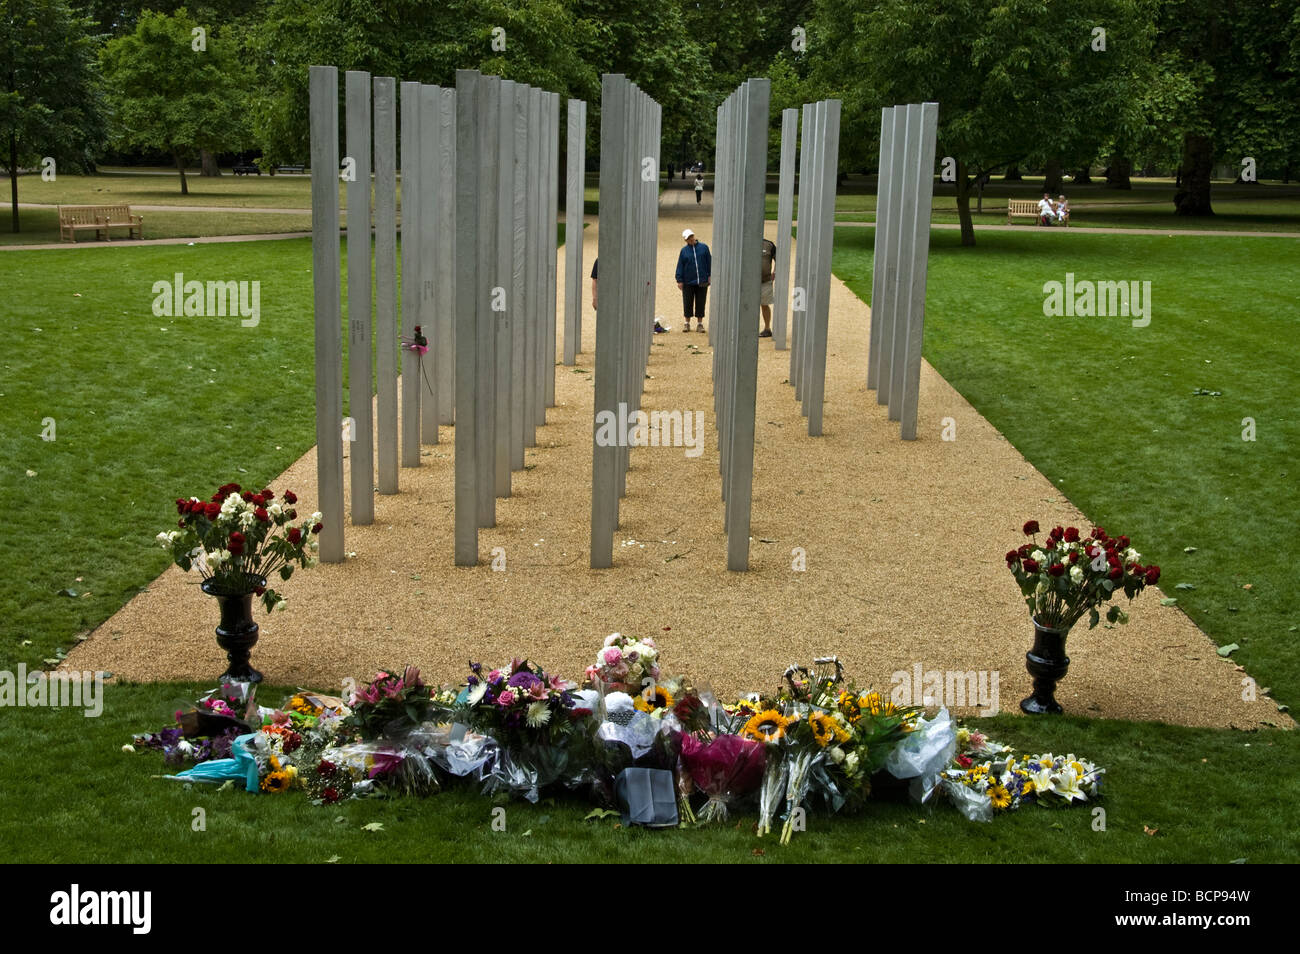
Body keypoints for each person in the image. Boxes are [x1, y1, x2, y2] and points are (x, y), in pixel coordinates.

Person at [675, 228, 711, 333]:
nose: (691, 239)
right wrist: (679, 280)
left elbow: (709, 262)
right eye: (688, 238)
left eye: (691, 237)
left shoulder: (704, 248)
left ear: (694, 236)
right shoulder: (684, 251)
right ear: (685, 240)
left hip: (702, 280)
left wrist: (710, 275)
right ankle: (687, 323)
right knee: (687, 302)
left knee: (701, 302)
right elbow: (680, 265)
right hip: (688, 282)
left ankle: (700, 324)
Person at [759, 237, 776, 336]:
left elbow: (779, 258)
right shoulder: (745, 242)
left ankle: (767, 328)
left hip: (765, 281)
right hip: (748, 282)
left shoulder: (769, 245)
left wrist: (775, 271)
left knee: (765, 304)